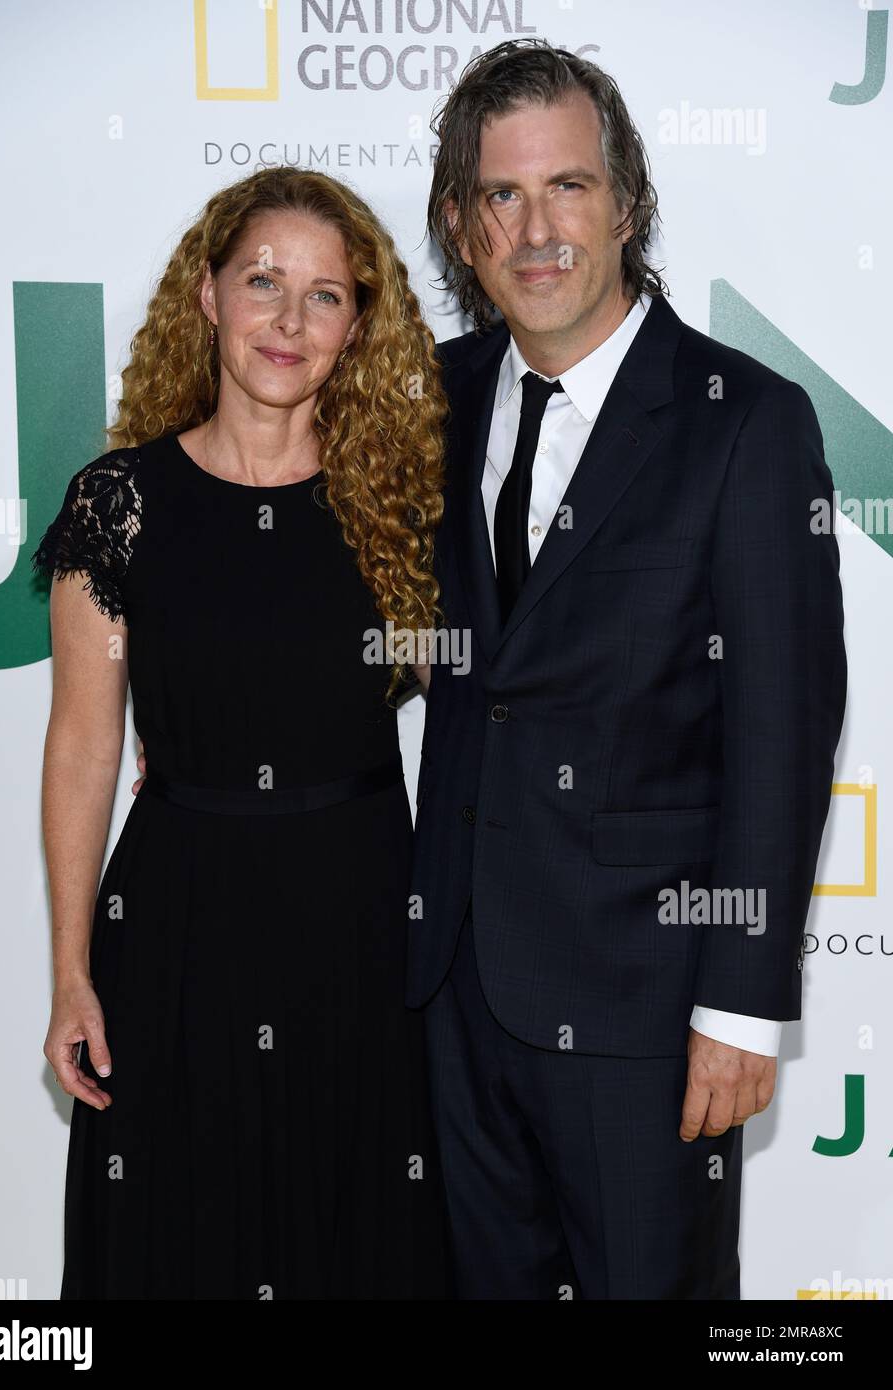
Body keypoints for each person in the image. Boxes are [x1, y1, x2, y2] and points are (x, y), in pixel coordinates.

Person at [407, 39, 847, 1298]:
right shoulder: (431, 397)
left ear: (627, 203)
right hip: (451, 997)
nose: (536, 230)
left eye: (569, 188)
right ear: (461, 223)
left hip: (650, 1011)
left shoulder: (742, 420)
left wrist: (743, 1005)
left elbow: (783, 728)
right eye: (502, 196)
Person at [32, 166, 453, 1299]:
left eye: (325, 295)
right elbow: (82, 746)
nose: (287, 319)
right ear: (207, 295)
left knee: (354, 1235)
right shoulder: (118, 502)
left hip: (363, 922)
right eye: (263, 280)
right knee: (178, 1238)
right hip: (176, 925)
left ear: (357, 325)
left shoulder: (407, 507)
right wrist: (72, 970)